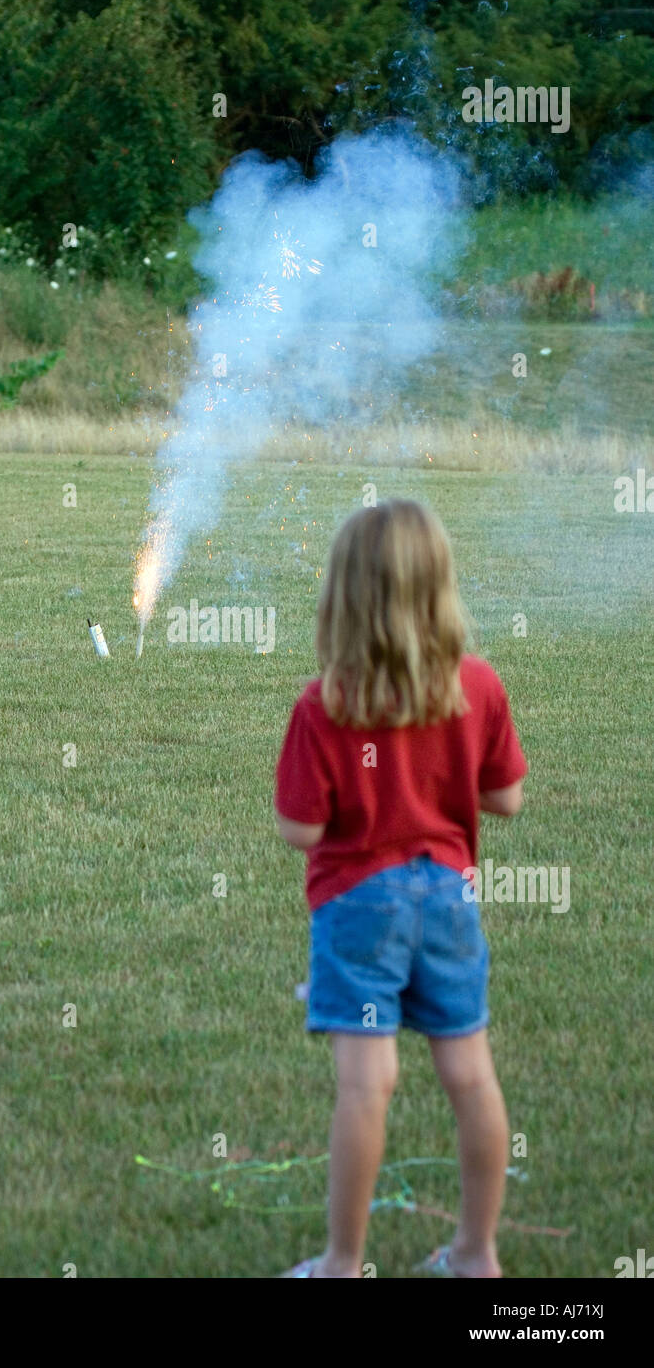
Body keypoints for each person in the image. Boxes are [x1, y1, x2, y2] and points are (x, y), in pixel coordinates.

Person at [274, 499, 527, 1279]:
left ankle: (342, 1266)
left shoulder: (326, 704)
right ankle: (476, 1256)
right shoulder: (476, 685)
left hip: (359, 905)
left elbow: (301, 832)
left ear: (342, 597)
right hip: (448, 901)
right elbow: (507, 798)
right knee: (470, 1075)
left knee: (367, 1083)